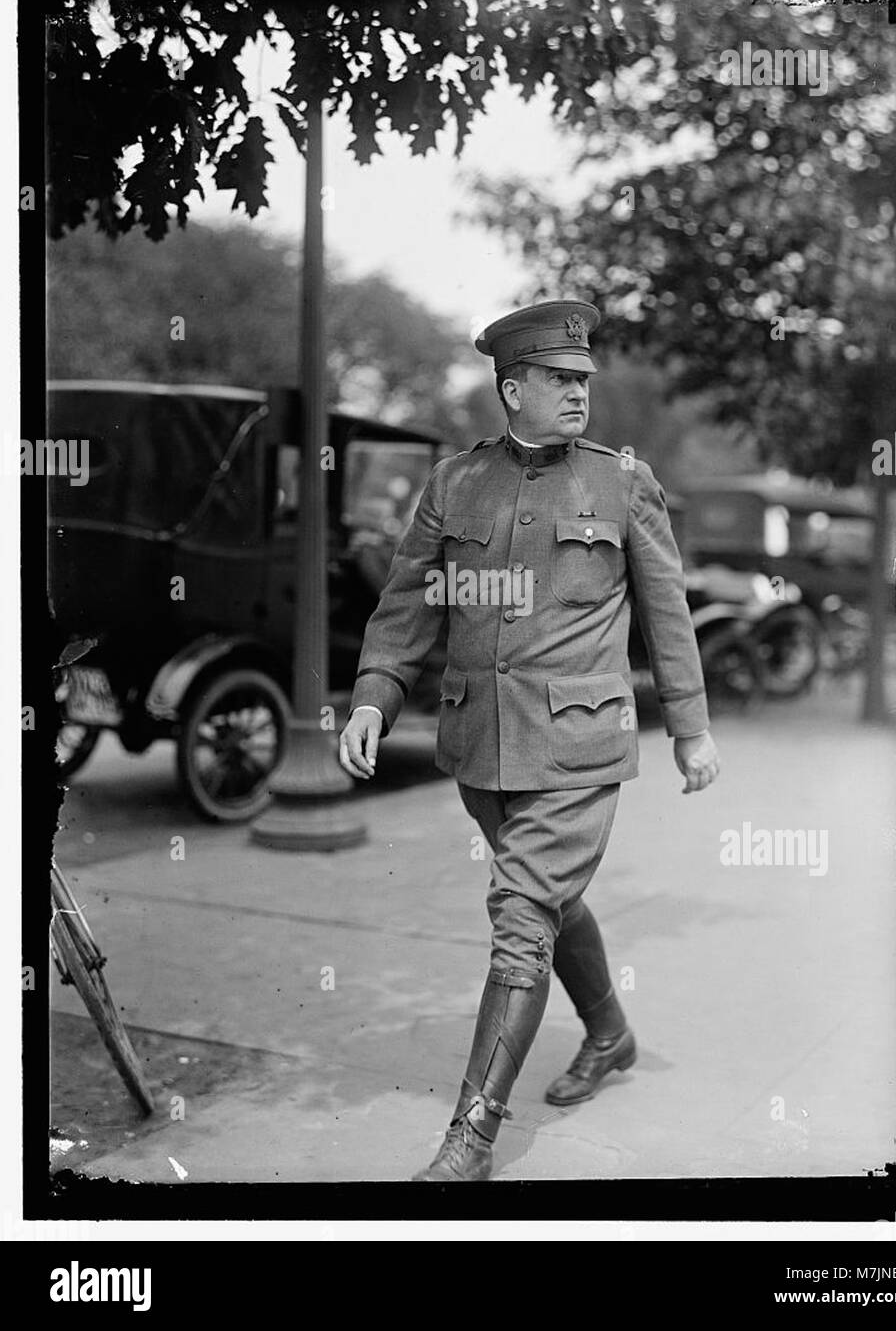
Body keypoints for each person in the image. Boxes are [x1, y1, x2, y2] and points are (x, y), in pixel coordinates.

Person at [339, 299, 720, 1181]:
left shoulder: (621, 482)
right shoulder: (454, 483)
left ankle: (471, 1137)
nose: (579, 392)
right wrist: (371, 699)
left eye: (583, 378)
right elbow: (405, 606)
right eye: (557, 379)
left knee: (518, 915)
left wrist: (690, 730)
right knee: (548, 900)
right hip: (481, 741)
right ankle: (611, 1033)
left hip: (580, 745)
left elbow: (667, 613)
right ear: (511, 389)